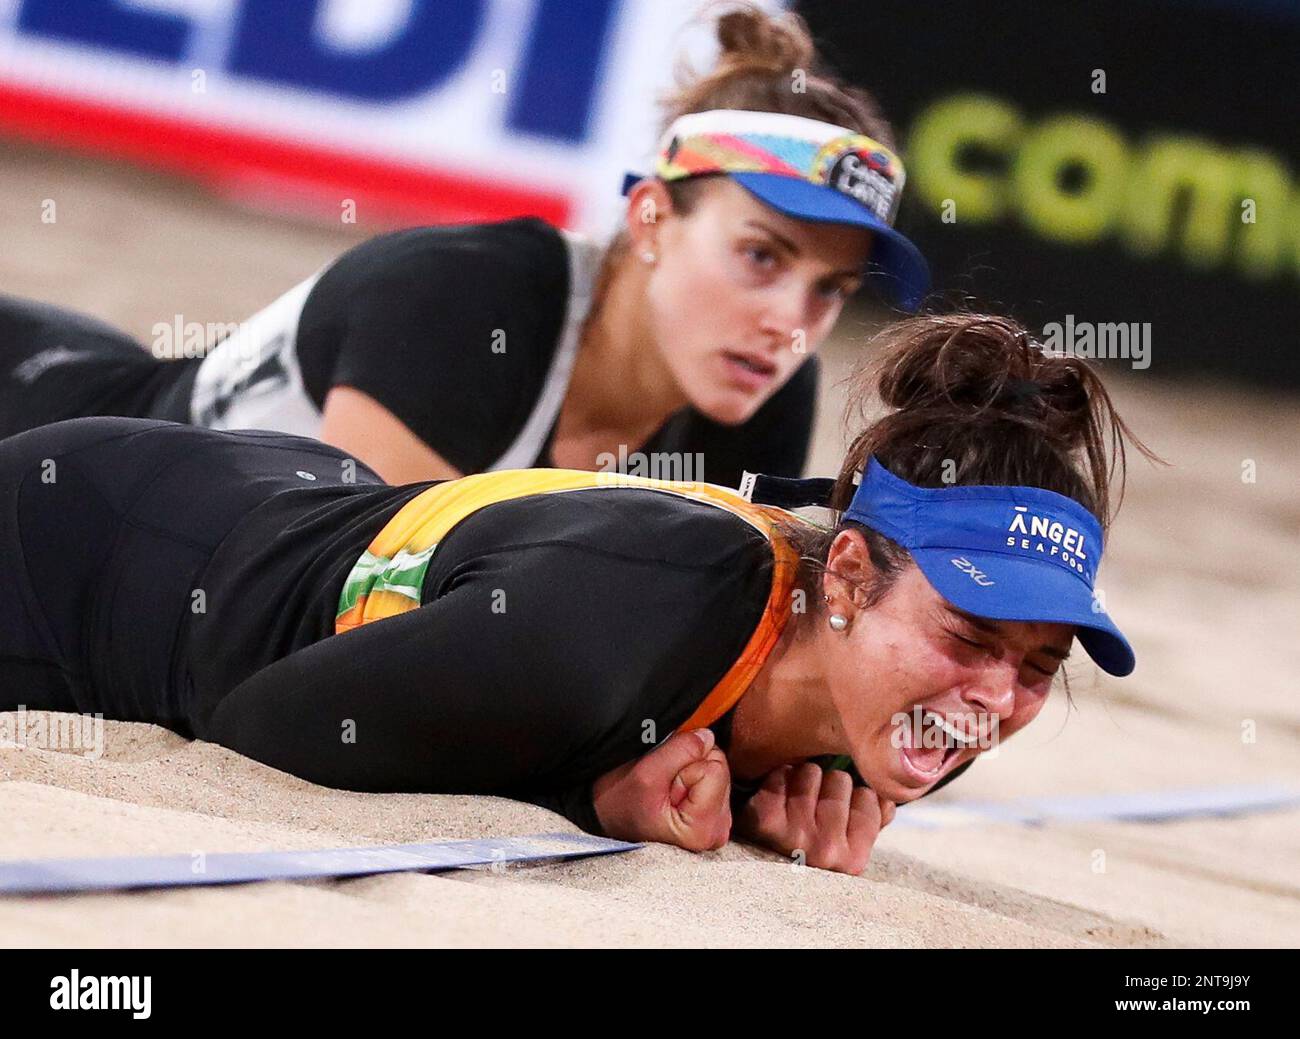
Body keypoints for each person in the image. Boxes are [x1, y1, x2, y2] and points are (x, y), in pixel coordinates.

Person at [0, 312, 1156, 875]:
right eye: (970, 636)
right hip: (88, 556)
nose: (994, 695)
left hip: (288, 506)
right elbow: (263, 719)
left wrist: (762, 804)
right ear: (846, 575)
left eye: (1042, 663)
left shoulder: (866, 679)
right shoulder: (617, 624)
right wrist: (588, 794)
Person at [0, 5, 928, 490]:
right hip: (38, 414)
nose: (790, 325)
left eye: (830, 290)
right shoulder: (469, 299)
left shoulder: (758, 390)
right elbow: (356, 614)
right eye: (763, 256)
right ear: (650, 217)